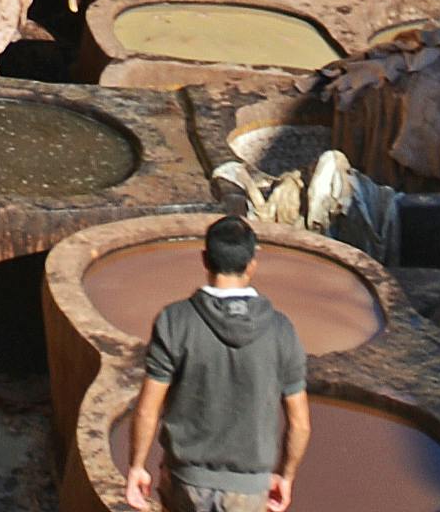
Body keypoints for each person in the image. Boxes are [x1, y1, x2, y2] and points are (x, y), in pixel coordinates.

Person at [108, 211, 312, 512]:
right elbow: (300, 424)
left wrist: (137, 466)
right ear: (252, 263)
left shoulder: (175, 321)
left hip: (185, 483)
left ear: (205, 259)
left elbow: (147, 408)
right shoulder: (282, 330)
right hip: (249, 490)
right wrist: (285, 475)